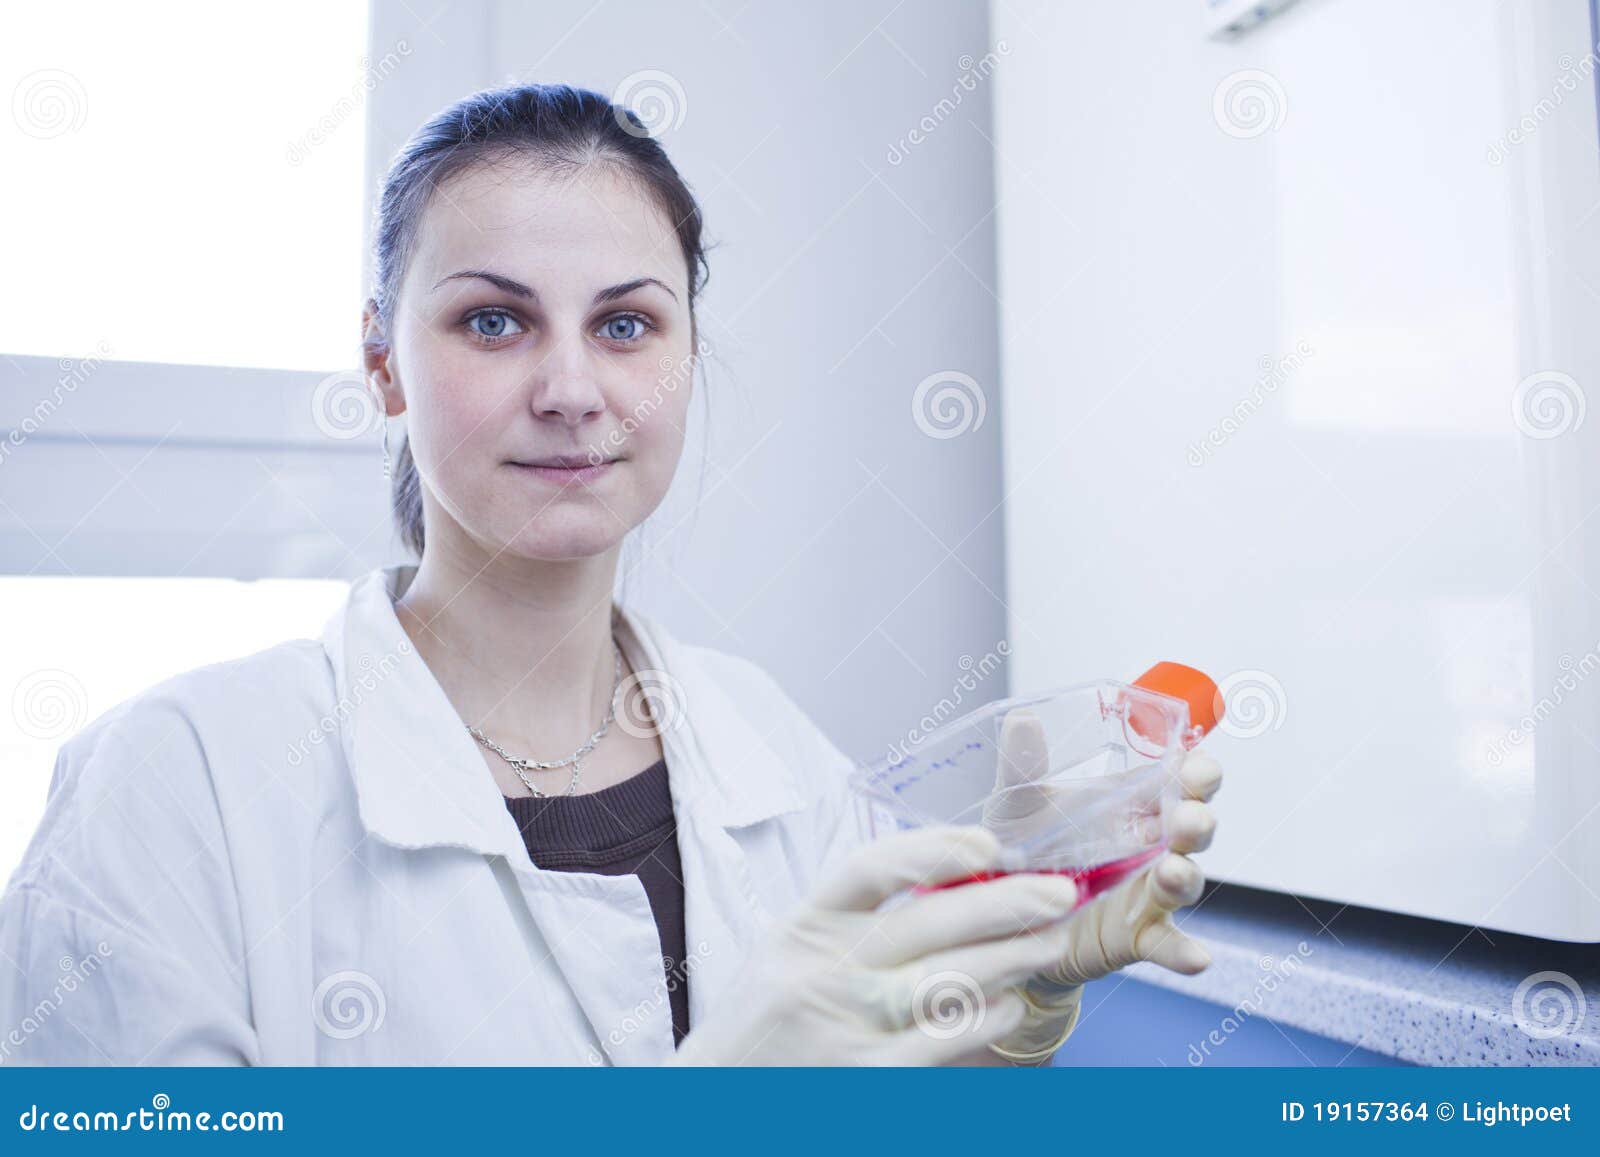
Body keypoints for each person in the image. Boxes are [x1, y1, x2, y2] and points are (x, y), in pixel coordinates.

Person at [0, 83, 1220, 1067]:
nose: (571, 389)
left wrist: (1007, 991)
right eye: (494, 321)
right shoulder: (175, 786)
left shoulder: (780, 762)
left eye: (627, 324)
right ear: (380, 361)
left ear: (687, 354)